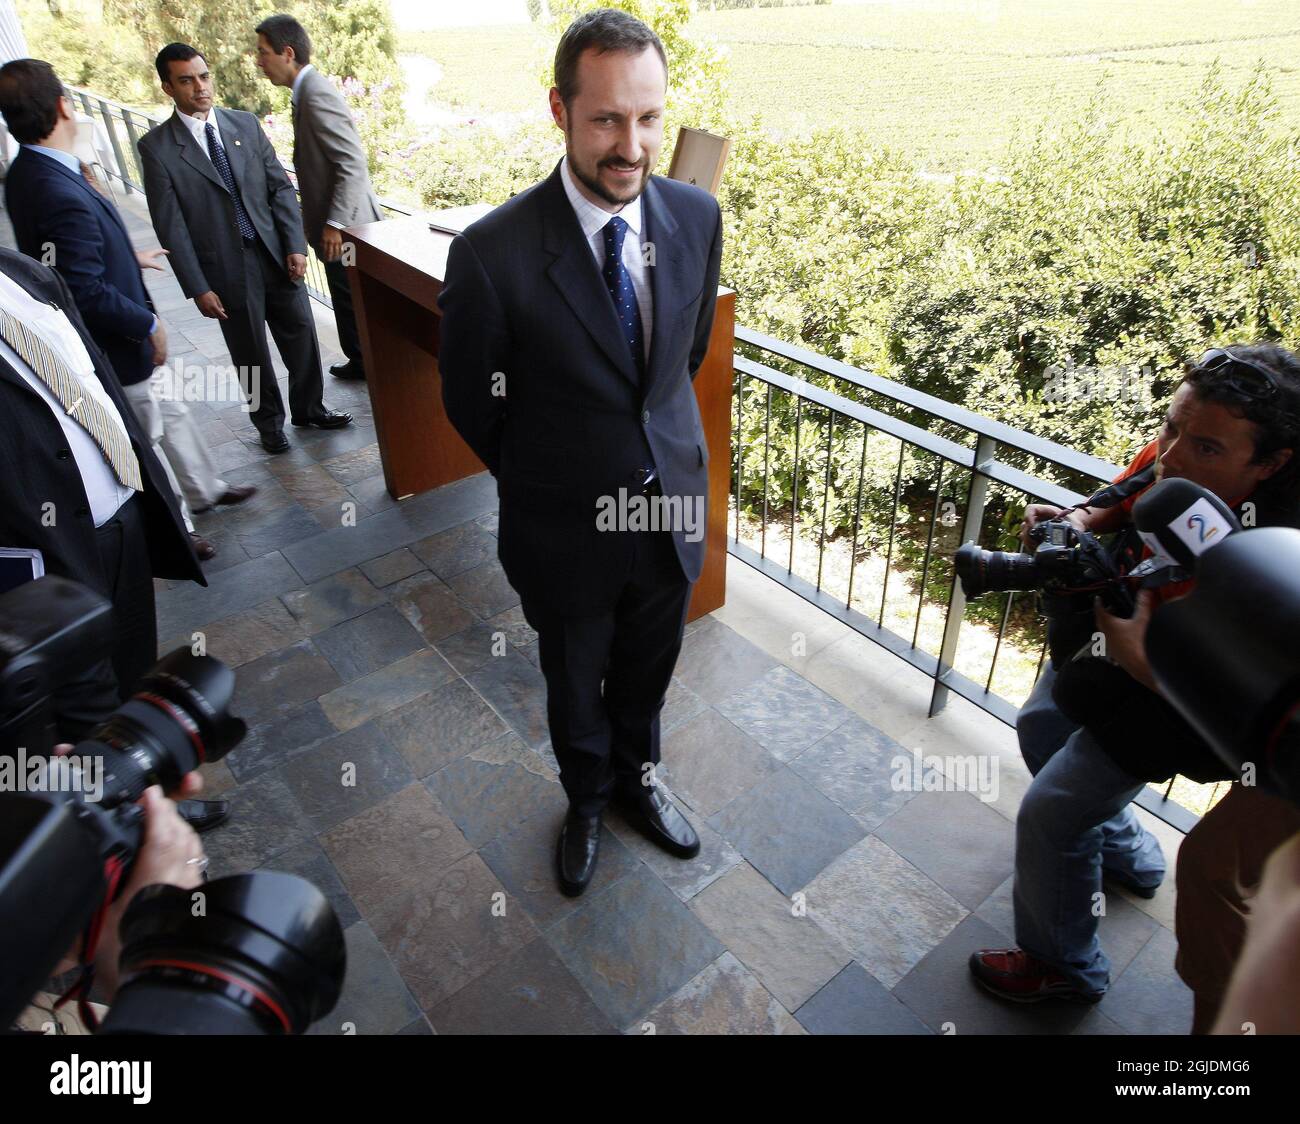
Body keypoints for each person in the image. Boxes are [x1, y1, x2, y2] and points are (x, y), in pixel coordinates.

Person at [438, 8, 723, 897]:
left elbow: (685, 358)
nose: (631, 145)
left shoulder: (696, 215)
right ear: (558, 111)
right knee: (573, 687)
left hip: (669, 510)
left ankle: (639, 779)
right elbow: (471, 403)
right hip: (563, 530)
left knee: (648, 670)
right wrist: (550, 477)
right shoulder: (491, 254)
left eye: (646, 118)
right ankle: (587, 802)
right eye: (606, 118)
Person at [970, 344, 1300, 1002]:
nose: (1174, 454)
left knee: (1051, 814)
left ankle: (1063, 969)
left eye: (1204, 448)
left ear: (1272, 463)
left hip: (1178, 706)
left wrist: (1145, 664)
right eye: (1172, 425)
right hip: (1117, 646)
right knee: (1040, 722)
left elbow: (1259, 722)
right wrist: (1076, 520)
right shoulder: (1186, 455)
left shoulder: (1285, 563)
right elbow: (1140, 481)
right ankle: (1130, 856)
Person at [0, 247, 227, 830]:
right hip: (37, 558)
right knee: (79, 702)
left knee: (131, 667)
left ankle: (145, 794)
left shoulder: (21, 270)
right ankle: (109, 839)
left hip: (119, 512)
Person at [0, 59, 256, 564]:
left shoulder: (31, 171)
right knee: (149, 432)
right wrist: (149, 323)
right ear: (61, 106)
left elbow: (71, 254)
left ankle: (205, 489)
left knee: (174, 410)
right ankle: (181, 528)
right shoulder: (55, 186)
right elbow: (82, 287)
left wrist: (125, 253)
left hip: (123, 333)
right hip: (118, 341)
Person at [137, 43, 352, 455]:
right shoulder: (157, 148)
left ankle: (310, 408)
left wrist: (295, 245)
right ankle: (269, 424)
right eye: (186, 80)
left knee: (302, 336)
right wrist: (198, 286)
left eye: (204, 76)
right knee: (250, 353)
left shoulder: (245, 125)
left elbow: (279, 188)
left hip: (276, 256)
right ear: (168, 87)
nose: (200, 87)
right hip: (225, 270)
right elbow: (172, 226)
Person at [254, 13, 381, 382]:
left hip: (350, 228)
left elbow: (351, 163)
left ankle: (373, 369)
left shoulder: (316, 93)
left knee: (356, 300)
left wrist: (334, 225)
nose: (259, 62)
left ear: (287, 52)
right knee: (345, 299)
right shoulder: (305, 93)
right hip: (341, 227)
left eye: (263, 53)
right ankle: (360, 362)